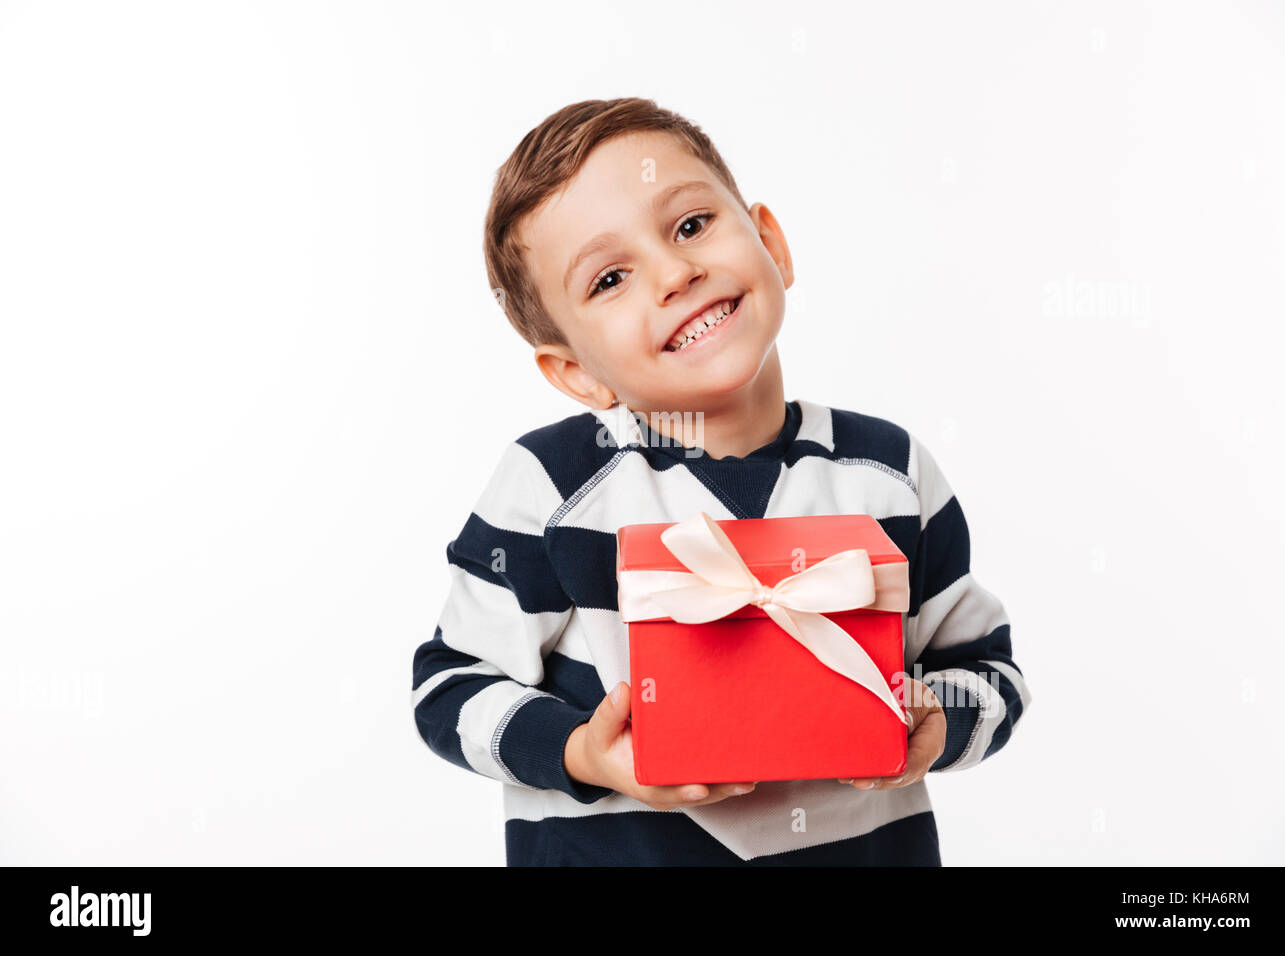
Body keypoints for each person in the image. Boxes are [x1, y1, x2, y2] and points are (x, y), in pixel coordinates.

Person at [411, 97, 1030, 865]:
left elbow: (990, 670)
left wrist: (937, 725)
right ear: (575, 372)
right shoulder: (552, 487)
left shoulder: (889, 472)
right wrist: (583, 753)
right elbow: (447, 689)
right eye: (610, 278)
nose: (676, 273)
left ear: (771, 243)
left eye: (691, 225)